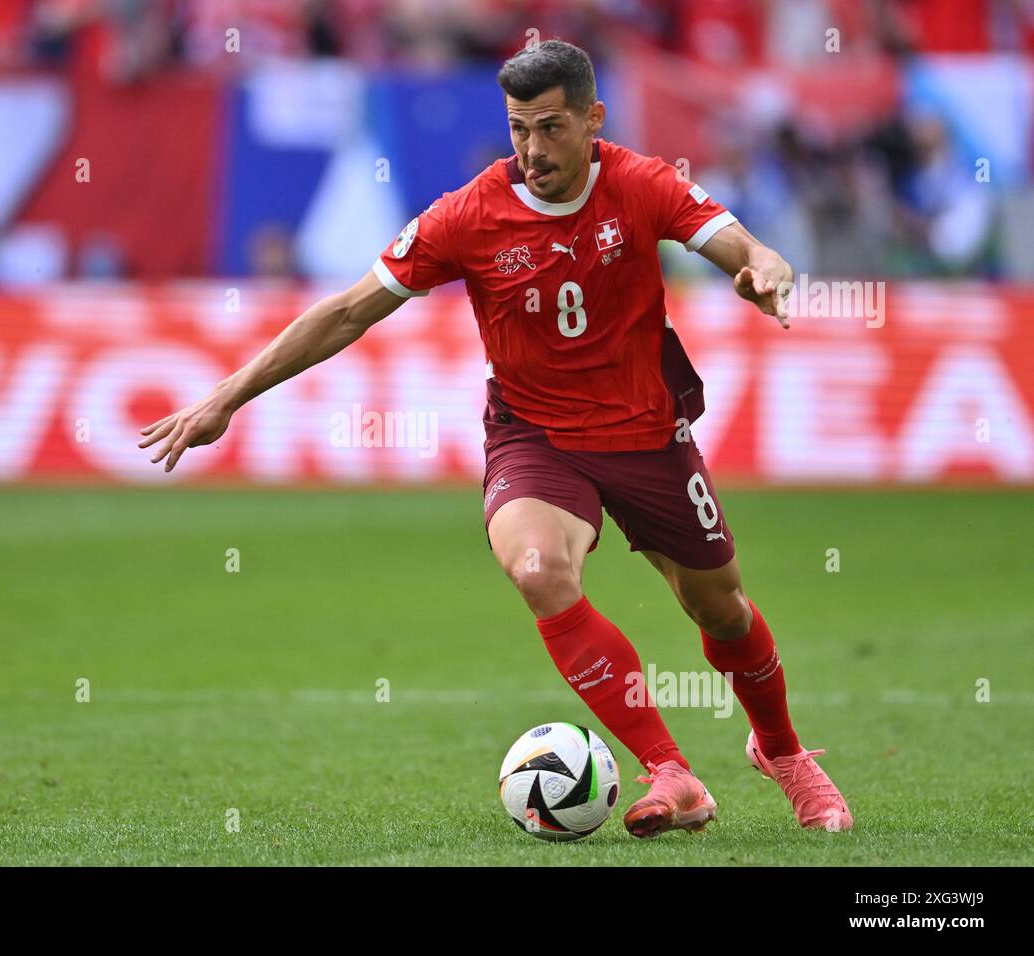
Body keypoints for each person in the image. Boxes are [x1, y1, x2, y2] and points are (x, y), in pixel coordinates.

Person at [139, 38, 853, 838]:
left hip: (648, 432)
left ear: (593, 119)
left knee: (720, 609)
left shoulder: (644, 183)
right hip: (536, 436)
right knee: (539, 568)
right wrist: (227, 398)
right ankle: (669, 769)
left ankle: (784, 752)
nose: (533, 149)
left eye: (550, 128)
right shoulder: (469, 214)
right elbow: (346, 311)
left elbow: (739, 245)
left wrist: (762, 268)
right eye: (519, 128)